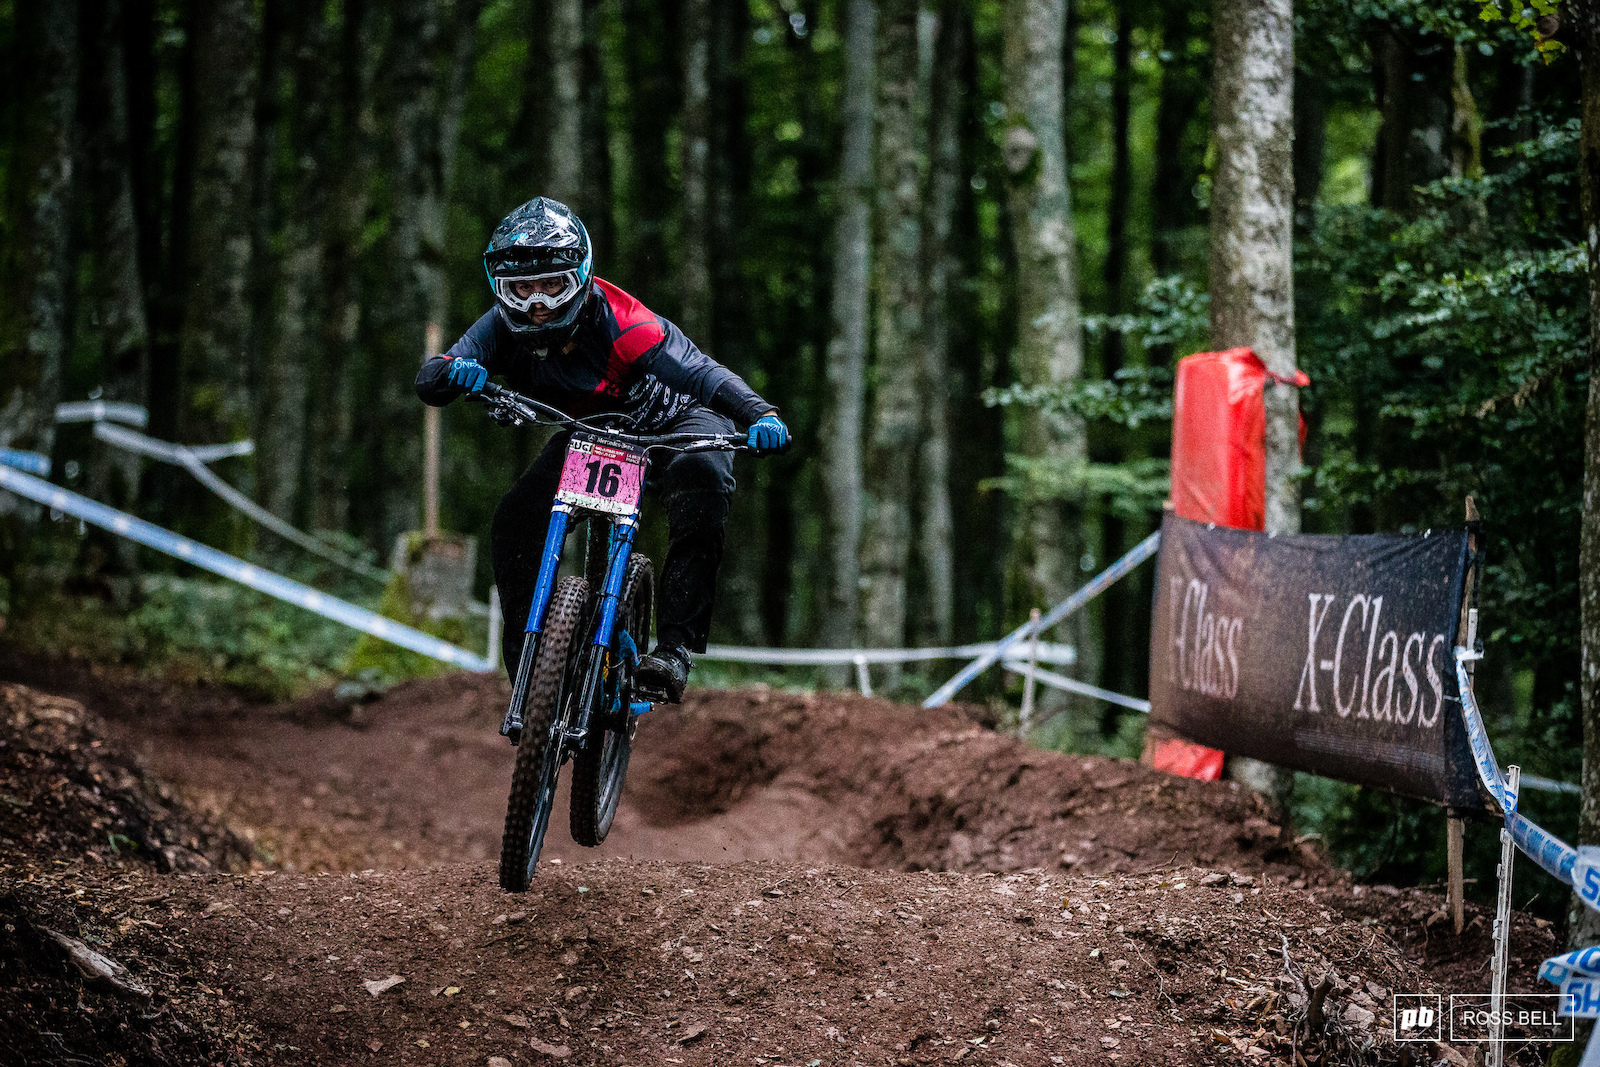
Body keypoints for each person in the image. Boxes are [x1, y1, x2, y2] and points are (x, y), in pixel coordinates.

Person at [416, 196, 789, 711]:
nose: (537, 304)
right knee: (515, 521)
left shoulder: (625, 323)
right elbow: (431, 379)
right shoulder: (499, 327)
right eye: (521, 289)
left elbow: (702, 374)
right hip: (591, 431)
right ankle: (530, 668)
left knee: (704, 476)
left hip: (671, 423)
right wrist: (451, 374)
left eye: (552, 285)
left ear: (581, 277)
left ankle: (676, 648)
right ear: (501, 288)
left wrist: (759, 414)